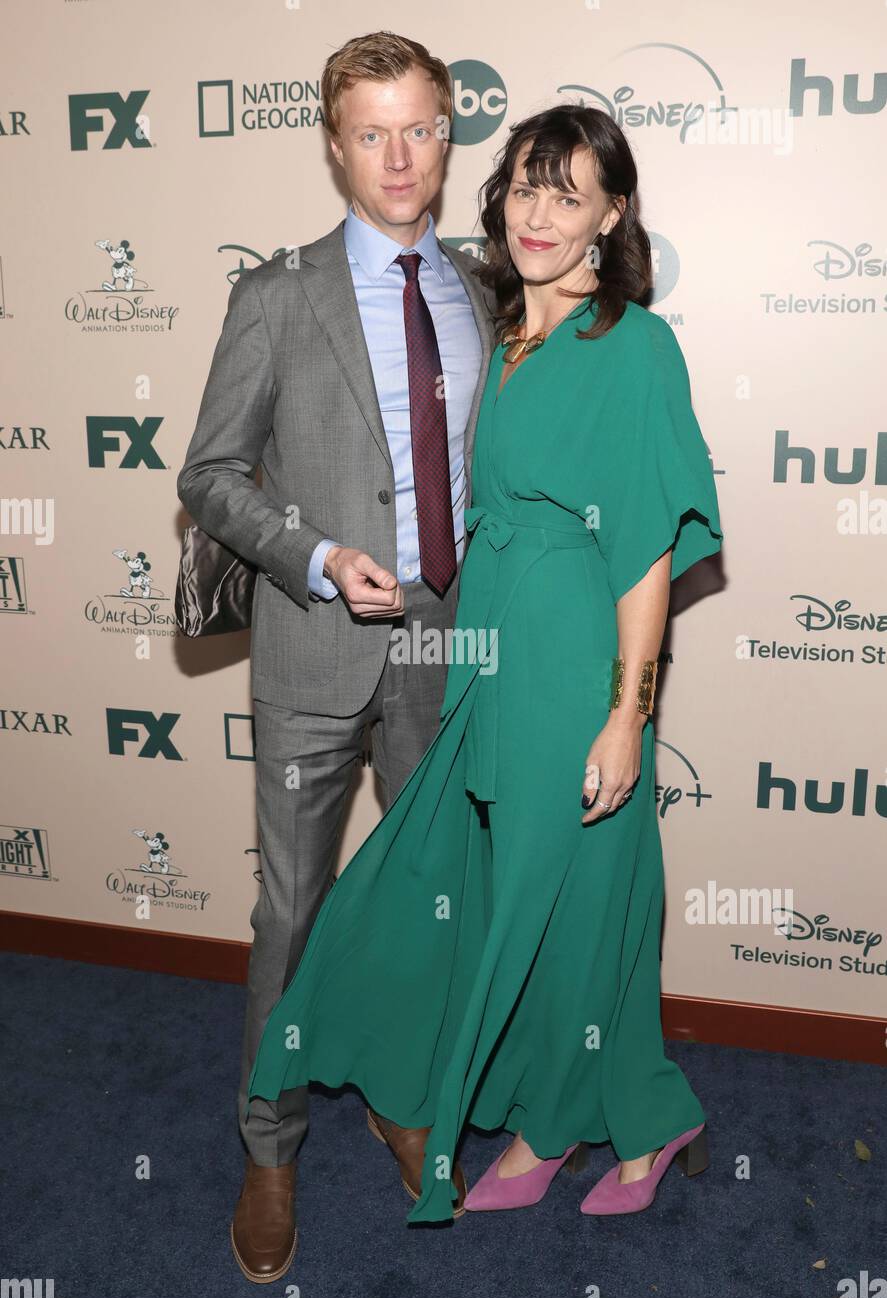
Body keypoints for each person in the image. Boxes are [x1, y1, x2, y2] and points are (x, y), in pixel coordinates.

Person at [246, 101, 724, 1230]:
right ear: (495, 196)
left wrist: (623, 716)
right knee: (542, 897)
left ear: (612, 212)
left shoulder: (633, 346)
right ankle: (613, 1108)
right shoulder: (502, 331)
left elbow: (648, 552)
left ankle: (576, 1122)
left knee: (572, 894)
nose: (540, 212)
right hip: (488, 651)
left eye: (570, 191)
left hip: (575, 662)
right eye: (523, 184)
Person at [177, 31, 496, 1280]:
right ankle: (270, 1145)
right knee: (292, 914)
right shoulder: (276, 294)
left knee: (427, 909)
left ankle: (402, 1096)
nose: (400, 155)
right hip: (313, 649)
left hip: (448, 648)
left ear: (445, 133)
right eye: (372, 130)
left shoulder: (479, 288)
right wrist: (312, 556)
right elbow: (208, 475)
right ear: (332, 143)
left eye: (420, 126)